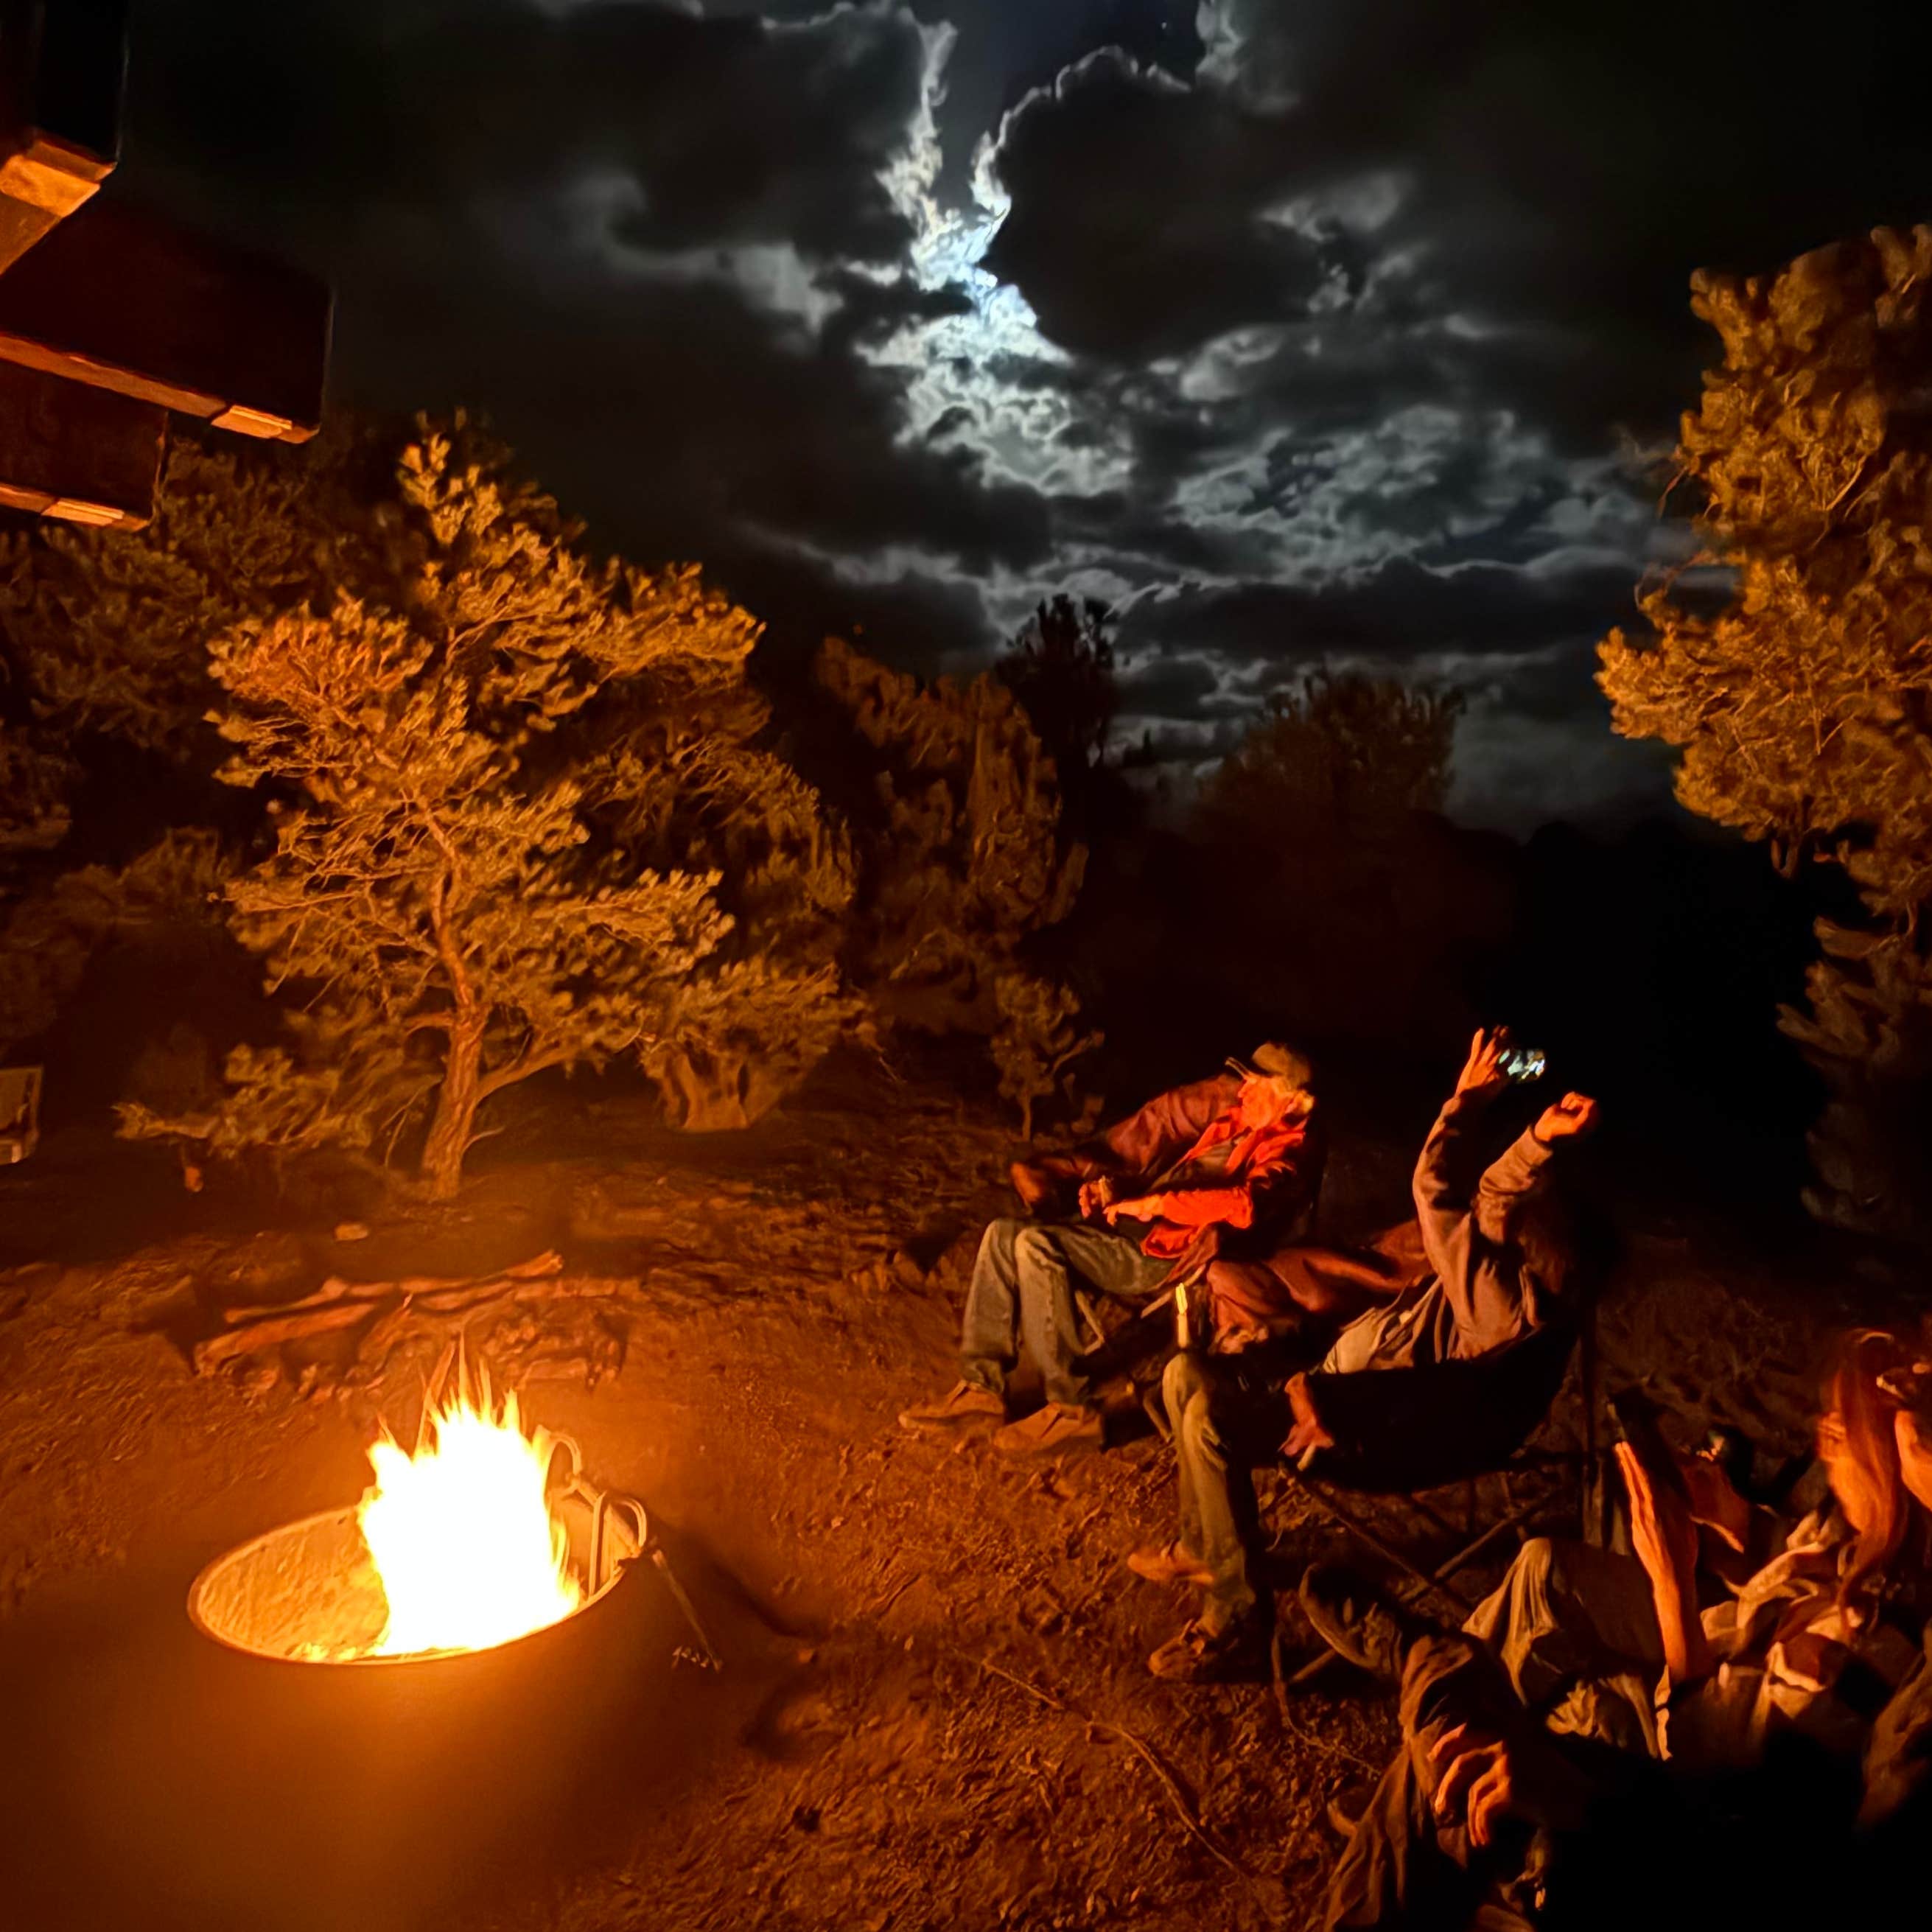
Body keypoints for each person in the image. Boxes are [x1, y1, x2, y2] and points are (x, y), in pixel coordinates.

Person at [1307, 1326, 1932, 1929]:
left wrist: (1671, 1581)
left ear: (1895, 1471)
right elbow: (1789, 1564)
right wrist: (1733, 1517)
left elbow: (1700, 1753)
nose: (1822, 1438)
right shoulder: (1862, 1528)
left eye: (1844, 1432)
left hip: (1691, 1712)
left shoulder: (1865, 1652)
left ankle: (1428, 1738)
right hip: (1727, 1633)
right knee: (1543, 1569)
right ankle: (1432, 1737)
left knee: (1519, 1702)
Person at [1138, 1029, 1599, 1681]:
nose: (1486, 1208)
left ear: (1521, 1235)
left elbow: (1433, 1187)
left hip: (1360, 1426)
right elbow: (1494, 1193)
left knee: (1207, 1415)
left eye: (1500, 1212)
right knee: (1185, 1372)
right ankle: (1205, 1544)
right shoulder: (1509, 1283)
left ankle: (1236, 1620)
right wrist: (1539, 1141)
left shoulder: (1494, 1300)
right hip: (1353, 1395)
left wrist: (1466, 1102)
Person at [897, 1044, 1322, 1455]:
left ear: (1290, 1100)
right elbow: (1164, 1154)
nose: (1241, 1091)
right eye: (1243, 1082)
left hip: (1165, 1253)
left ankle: (1073, 1408)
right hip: (1134, 1231)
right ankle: (981, 1388)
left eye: (1255, 1084)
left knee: (1036, 1246)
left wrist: (1154, 1204)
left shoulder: (1289, 1152)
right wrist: (1117, 1193)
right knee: (1001, 1233)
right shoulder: (1232, 1124)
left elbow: (1244, 1203)